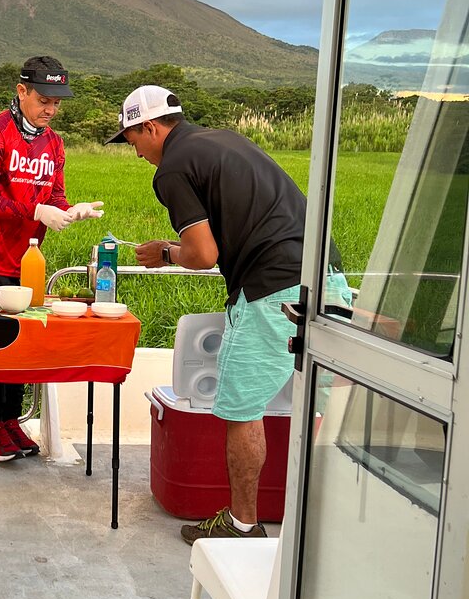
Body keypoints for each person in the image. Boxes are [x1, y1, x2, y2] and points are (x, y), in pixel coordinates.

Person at [106, 83, 351, 542]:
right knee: (318, 407)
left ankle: (242, 525)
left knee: (241, 411)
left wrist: (165, 252)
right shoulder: (225, 139)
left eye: (133, 138)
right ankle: (319, 527)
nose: (134, 151)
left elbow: (201, 254)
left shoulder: (173, 168)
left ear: (151, 126)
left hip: (273, 290)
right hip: (327, 276)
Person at [0, 56, 104, 461]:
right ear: (21, 91)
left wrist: (68, 209)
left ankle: (12, 422)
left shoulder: (53, 143)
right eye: (44, 100)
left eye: (57, 103)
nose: (51, 110)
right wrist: (35, 212)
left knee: (22, 341)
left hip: (29, 259)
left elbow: (54, 194)